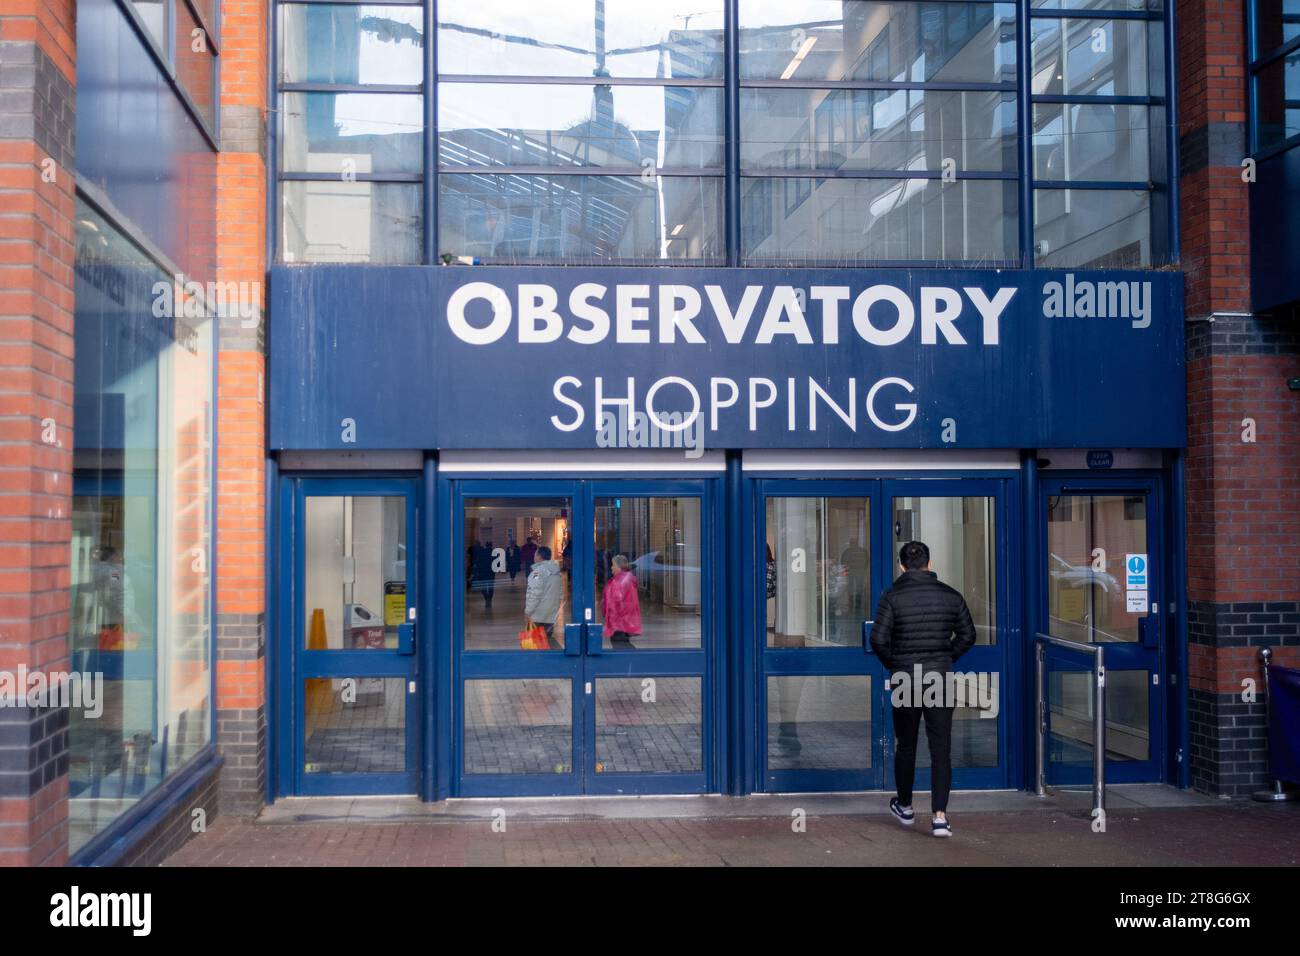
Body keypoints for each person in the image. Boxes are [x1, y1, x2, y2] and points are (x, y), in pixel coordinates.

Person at [869, 540, 977, 838]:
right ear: (929, 564)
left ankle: (904, 806)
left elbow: (877, 640)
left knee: (906, 745)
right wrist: (947, 656)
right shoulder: (950, 596)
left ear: (901, 565)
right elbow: (968, 635)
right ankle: (940, 817)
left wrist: (897, 663)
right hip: (939, 678)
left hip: (906, 678)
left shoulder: (891, 597)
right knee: (940, 748)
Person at [524, 545, 564, 650]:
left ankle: (542, 661)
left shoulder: (537, 572)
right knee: (548, 638)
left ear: (539, 556)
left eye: (535, 554)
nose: (534, 556)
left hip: (538, 613)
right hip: (551, 612)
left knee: (535, 643)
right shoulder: (556, 571)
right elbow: (560, 592)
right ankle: (553, 659)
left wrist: (528, 611)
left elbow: (534, 593)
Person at [600, 554, 641, 649]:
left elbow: (615, 602)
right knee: (622, 643)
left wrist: (612, 619)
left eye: (613, 565)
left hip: (619, 622)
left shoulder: (619, 581)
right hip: (624, 621)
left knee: (619, 644)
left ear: (619, 567)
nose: (611, 567)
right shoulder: (626, 578)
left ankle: (634, 661)